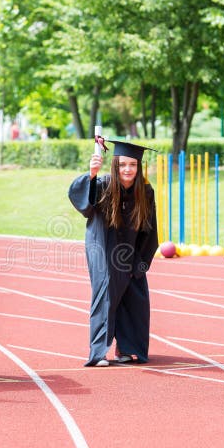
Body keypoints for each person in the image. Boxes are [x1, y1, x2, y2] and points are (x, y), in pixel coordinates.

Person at [68, 139, 158, 366]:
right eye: (122, 165)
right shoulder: (102, 185)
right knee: (106, 294)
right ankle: (99, 352)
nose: (128, 169)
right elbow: (83, 204)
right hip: (102, 247)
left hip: (131, 249)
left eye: (133, 165)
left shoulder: (145, 191)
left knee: (135, 294)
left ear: (139, 167)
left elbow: (150, 229)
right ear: (115, 166)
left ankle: (127, 349)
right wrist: (91, 174)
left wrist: (141, 263)